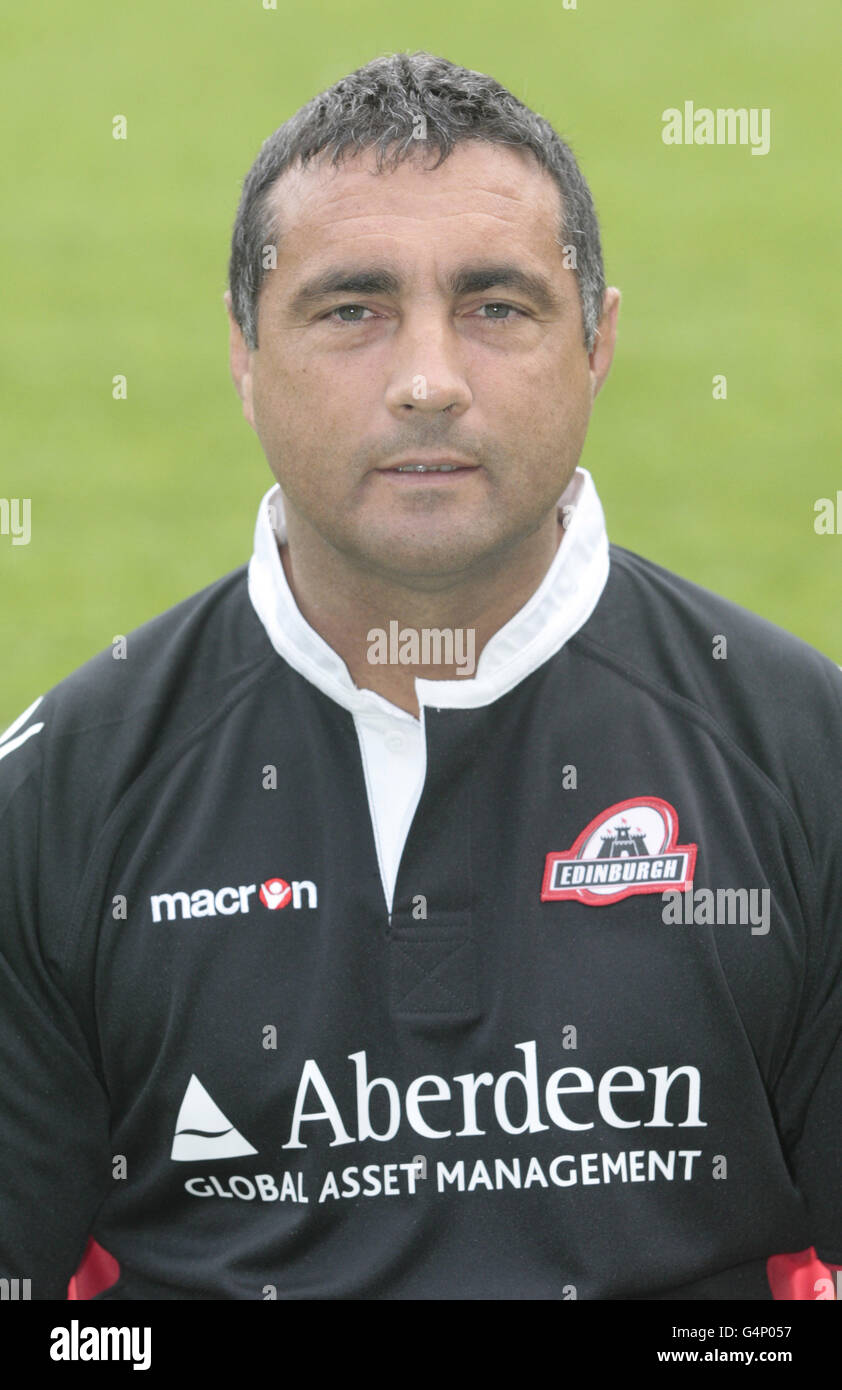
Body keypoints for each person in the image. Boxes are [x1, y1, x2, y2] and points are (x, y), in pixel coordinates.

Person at [1, 50, 840, 1302]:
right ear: (242, 350)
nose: (429, 382)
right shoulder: (58, 797)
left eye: (498, 306)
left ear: (597, 341)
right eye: (352, 309)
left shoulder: (801, 753)